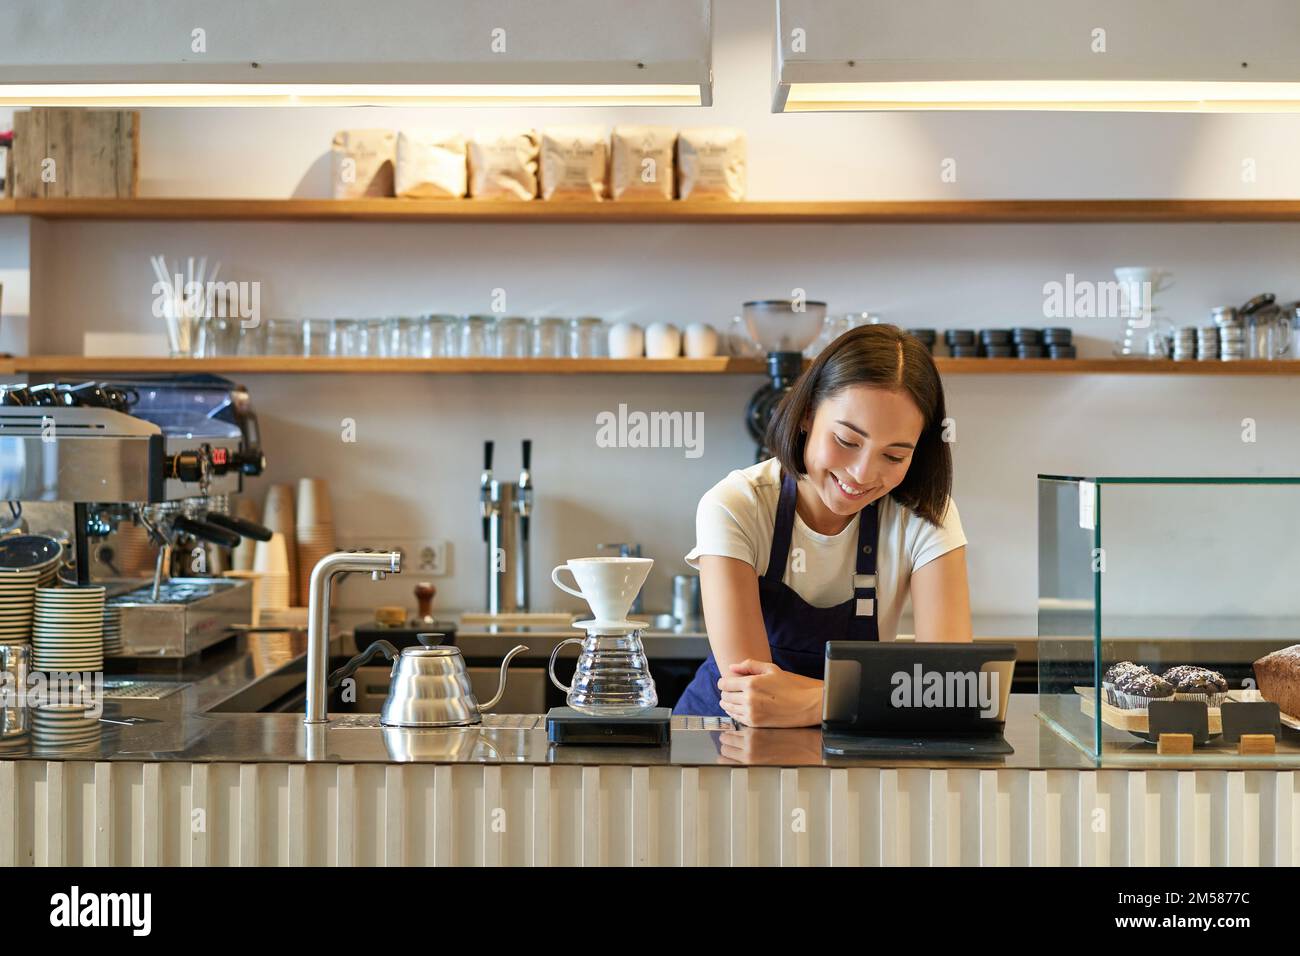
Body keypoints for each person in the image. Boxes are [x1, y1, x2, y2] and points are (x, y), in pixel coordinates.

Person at [673, 323, 972, 727]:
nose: (863, 473)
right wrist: (879, 698)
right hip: (721, 746)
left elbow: (950, 689)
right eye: (848, 441)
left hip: (852, 750)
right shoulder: (736, 505)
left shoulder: (925, 515)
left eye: (895, 456)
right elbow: (755, 698)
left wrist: (818, 701)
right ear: (808, 415)